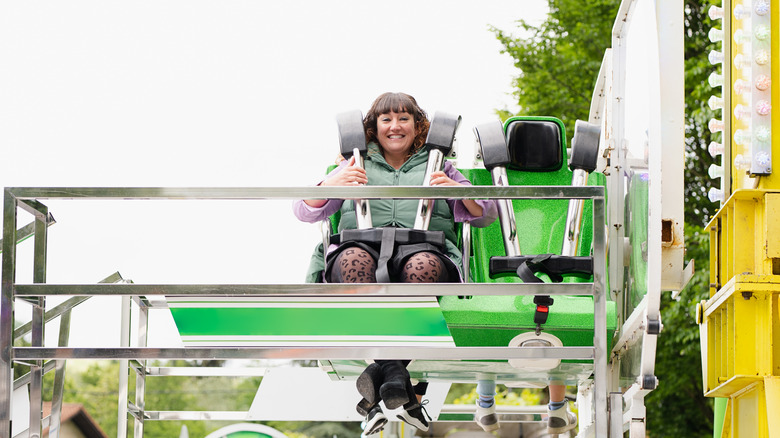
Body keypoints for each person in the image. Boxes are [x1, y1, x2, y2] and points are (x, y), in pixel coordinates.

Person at [292, 92, 498, 434]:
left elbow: (485, 216)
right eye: (386, 119)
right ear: (374, 127)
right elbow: (303, 210)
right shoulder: (353, 164)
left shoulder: (441, 165)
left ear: (418, 126)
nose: (395, 126)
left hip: (423, 248)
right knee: (353, 262)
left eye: (404, 118)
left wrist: (456, 191)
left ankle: (382, 382)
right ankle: (397, 385)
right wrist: (331, 183)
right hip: (361, 245)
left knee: (422, 268)